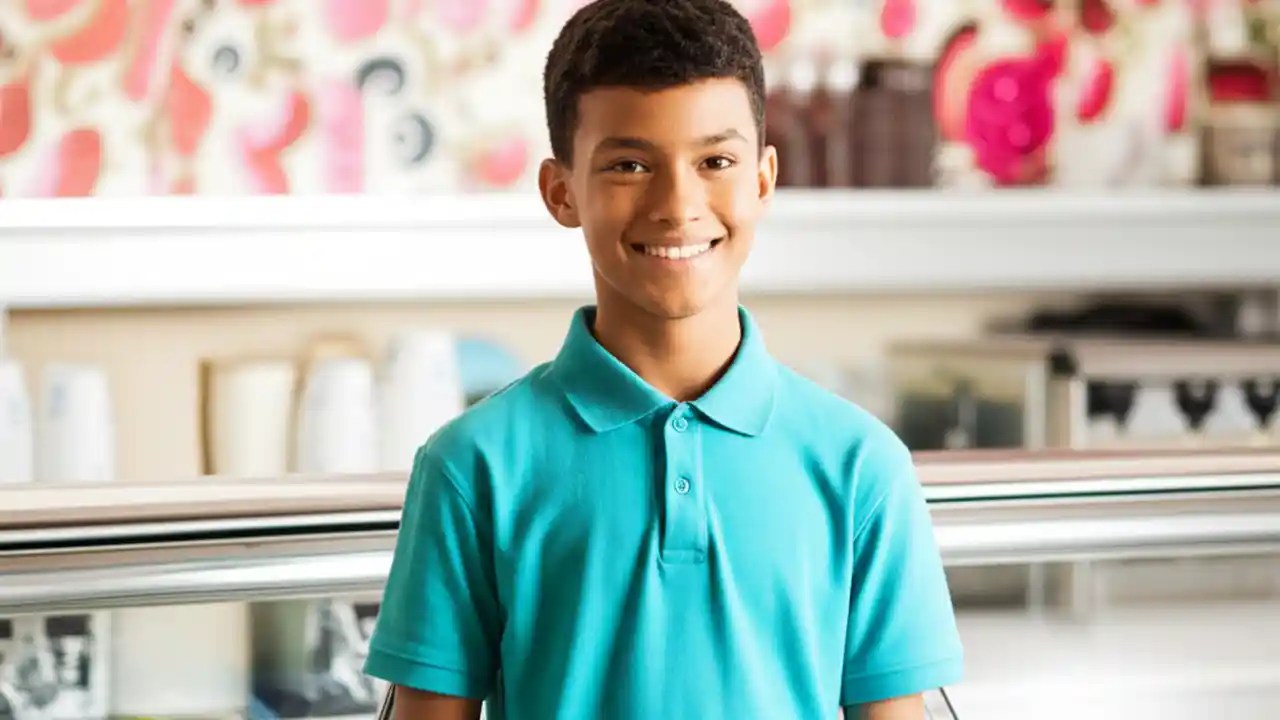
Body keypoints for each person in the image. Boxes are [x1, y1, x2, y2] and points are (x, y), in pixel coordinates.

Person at [363, 1, 963, 718]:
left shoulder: (863, 468)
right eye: (628, 164)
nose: (678, 204)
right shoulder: (471, 468)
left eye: (716, 161)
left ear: (764, 179)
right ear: (562, 192)